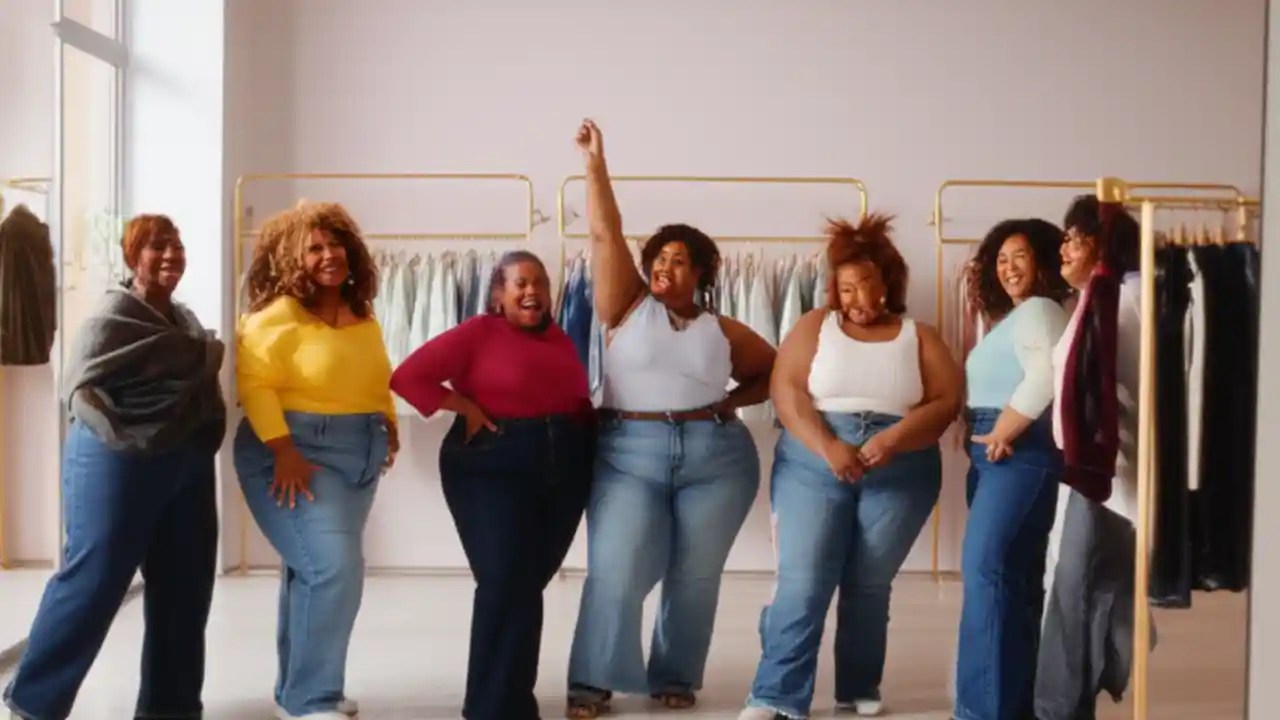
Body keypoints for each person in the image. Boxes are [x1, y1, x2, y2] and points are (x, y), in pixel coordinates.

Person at [565, 119, 777, 718]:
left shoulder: (722, 329)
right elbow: (605, 233)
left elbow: (777, 372)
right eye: (659, 258)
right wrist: (595, 166)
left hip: (716, 458)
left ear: (701, 273)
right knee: (615, 567)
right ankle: (592, 682)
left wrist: (729, 404)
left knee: (696, 574)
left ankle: (675, 674)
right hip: (628, 453)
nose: (665, 267)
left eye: (680, 261)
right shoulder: (627, 307)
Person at [739, 214, 962, 720]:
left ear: (888, 283)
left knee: (868, 582)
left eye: (865, 285)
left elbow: (947, 402)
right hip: (812, 464)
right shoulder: (815, 326)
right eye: (845, 289)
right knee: (804, 578)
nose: (856, 298)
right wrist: (828, 446)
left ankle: (858, 685)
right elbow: (786, 391)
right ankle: (774, 694)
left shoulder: (920, 336)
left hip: (901, 469)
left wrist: (893, 439)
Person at [3, 215, 225, 720]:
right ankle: (33, 703)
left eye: (177, 245)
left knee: (186, 586)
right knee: (95, 578)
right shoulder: (110, 318)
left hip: (185, 462)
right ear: (132, 257)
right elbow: (78, 389)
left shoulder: (185, 322)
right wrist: (124, 438)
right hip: (117, 457)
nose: (170, 254)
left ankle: (170, 708)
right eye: (156, 246)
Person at [390, 250, 595, 720]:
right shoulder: (478, 332)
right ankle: (490, 708)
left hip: (562, 464)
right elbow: (408, 377)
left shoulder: (560, 338)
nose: (532, 291)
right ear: (499, 295)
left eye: (540, 283)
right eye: (520, 283)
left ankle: (512, 702)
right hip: (492, 464)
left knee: (525, 586)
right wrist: (463, 406)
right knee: (505, 581)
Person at [233, 201, 398, 720]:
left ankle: (299, 690)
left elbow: (377, 379)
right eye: (314, 248)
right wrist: (282, 450)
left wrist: (388, 425)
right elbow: (255, 384)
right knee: (333, 569)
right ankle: (313, 698)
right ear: (290, 260)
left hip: (358, 457)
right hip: (295, 451)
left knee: (311, 570)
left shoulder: (362, 317)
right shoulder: (275, 317)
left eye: (336, 244)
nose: (330, 255)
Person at [952, 218, 1072, 720]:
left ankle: (982, 711)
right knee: (1014, 579)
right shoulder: (1017, 317)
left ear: (1042, 259)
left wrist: (1004, 427)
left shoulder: (1041, 310)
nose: (1008, 267)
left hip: (1016, 446)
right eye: (1000, 259)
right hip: (1000, 447)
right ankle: (1014, 706)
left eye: (1019, 255)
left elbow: (1047, 375)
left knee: (988, 572)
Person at [1035, 196, 1144, 720]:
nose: (1063, 249)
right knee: (1082, 590)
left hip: (1110, 472)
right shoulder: (1093, 300)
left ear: (1100, 244)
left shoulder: (1127, 300)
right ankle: (1073, 700)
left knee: (1076, 592)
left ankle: (1058, 710)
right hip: (1089, 468)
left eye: (1073, 239)